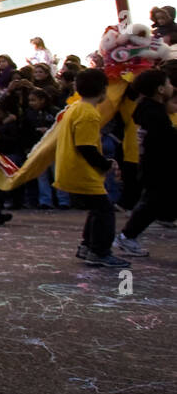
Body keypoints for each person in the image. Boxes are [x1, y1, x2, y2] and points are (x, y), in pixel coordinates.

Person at [54, 67, 126, 268]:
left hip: (72, 170)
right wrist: (105, 164)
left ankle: (87, 246)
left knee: (97, 210)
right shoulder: (89, 114)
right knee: (104, 211)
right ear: (103, 90)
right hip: (83, 173)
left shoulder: (75, 108)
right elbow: (86, 146)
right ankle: (99, 251)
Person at [115, 69, 176, 257]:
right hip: (158, 165)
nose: (171, 87)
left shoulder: (148, 108)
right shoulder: (153, 112)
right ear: (160, 89)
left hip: (155, 164)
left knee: (154, 202)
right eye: (168, 83)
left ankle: (130, 235)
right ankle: (127, 237)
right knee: (151, 203)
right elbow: (163, 139)